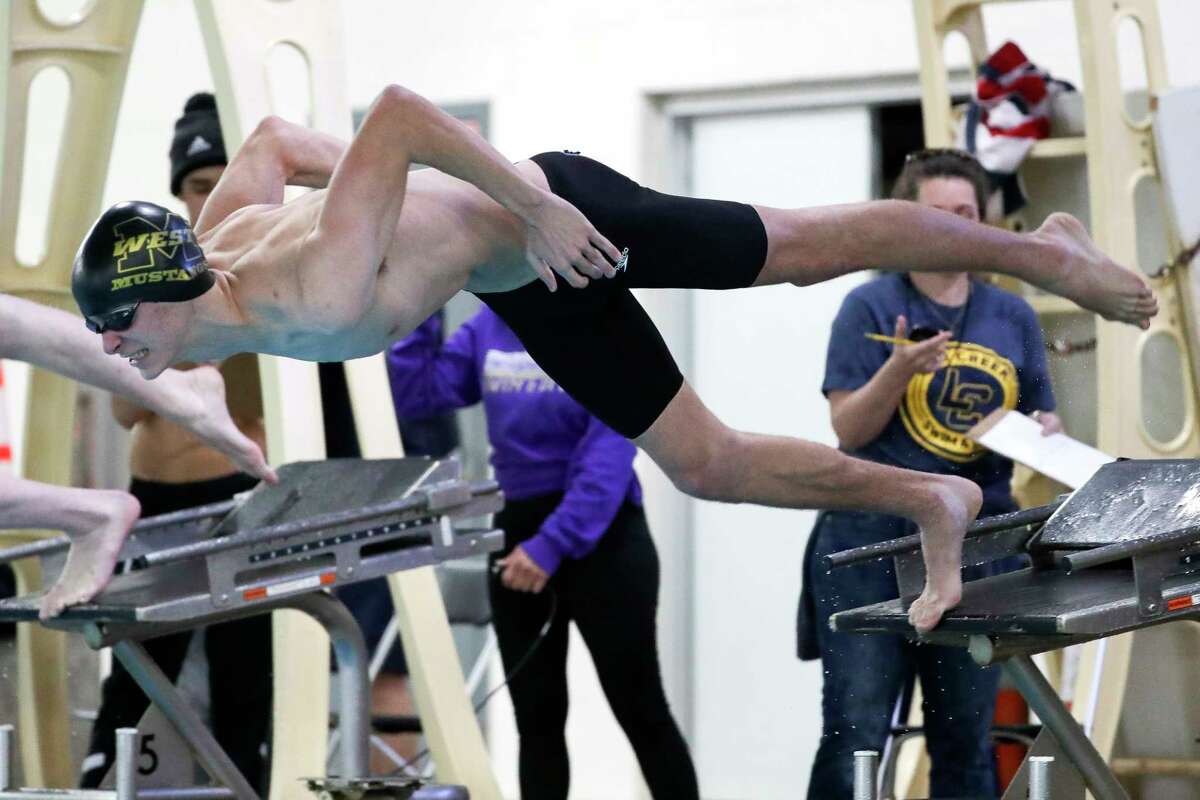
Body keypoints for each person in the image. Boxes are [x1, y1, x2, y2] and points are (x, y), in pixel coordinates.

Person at [70, 83, 1157, 629]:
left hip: (561, 216)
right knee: (707, 464)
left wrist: (528, 205)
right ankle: (932, 499)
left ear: (165, 292)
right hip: (526, 282)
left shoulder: (314, 281)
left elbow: (396, 116)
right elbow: (274, 138)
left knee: (801, 251)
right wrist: (456, 221)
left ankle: (1044, 254)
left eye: (119, 324)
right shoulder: (219, 236)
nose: (114, 347)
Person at [798, 148, 1062, 798]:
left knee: (965, 737)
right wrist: (898, 372)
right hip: (870, 542)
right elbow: (848, 429)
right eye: (937, 213)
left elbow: (1041, 415)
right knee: (856, 731)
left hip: (977, 546)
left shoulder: (1013, 316)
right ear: (906, 219)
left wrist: (1048, 433)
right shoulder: (868, 306)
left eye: (965, 214)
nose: (952, 227)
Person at [387, 307, 698, 799]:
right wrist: (421, 308)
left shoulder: (601, 326)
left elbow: (609, 457)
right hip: (519, 530)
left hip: (605, 537)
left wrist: (551, 545)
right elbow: (417, 393)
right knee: (537, 720)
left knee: (640, 709)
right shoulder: (487, 326)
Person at [80, 92, 274, 790]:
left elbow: (257, 402)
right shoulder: (140, 276)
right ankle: (97, 785)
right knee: (136, 672)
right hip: (156, 498)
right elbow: (126, 413)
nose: (206, 200)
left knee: (242, 677)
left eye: (220, 184)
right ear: (178, 192)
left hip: (235, 498)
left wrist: (212, 312)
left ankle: (247, 784)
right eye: (196, 186)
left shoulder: (261, 268)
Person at [0, 291, 275, 623]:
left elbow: (272, 406)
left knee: (243, 629)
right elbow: (125, 415)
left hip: (236, 479)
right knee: (155, 631)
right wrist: (167, 361)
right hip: (160, 485)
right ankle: (177, 392)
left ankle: (178, 394)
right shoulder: (150, 313)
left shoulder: (252, 315)